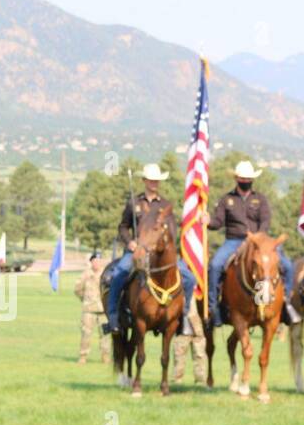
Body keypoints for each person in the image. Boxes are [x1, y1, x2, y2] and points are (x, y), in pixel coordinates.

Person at [204, 161, 301, 328]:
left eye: (248, 178)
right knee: (215, 265)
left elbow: (265, 221)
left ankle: (286, 302)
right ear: (236, 178)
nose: (245, 180)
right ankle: (214, 307)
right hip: (233, 240)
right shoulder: (227, 199)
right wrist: (207, 221)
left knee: (287, 265)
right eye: (242, 178)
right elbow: (218, 222)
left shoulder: (260, 199)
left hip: (260, 241)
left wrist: (257, 239)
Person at [104, 163, 195, 336]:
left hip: (160, 255)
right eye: (151, 180)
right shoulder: (134, 203)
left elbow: (173, 231)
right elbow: (123, 227)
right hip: (136, 250)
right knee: (119, 273)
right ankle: (113, 317)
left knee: (189, 279)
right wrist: (130, 242)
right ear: (144, 180)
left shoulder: (166, 206)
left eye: (156, 180)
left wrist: (163, 248)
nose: (154, 183)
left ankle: (183, 317)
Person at [74, 251, 111, 364]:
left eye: (99, 261)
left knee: (105, 334)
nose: (97, 263)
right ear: (91, 262)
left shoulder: (106, 274)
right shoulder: (85, 274)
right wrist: (85, 300)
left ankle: (105, 356)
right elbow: (77, 289)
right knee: (86, 334)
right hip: (89, 310)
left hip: (103, 310)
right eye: (94, 261)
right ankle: (83, 356)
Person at [171, 293, 208, 385]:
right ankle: (177, 380)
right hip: (183, 331)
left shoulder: (201, 296)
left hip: (198, 332)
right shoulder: (180, 295)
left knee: (200, 356)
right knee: (179, 357)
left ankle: (200, 380)